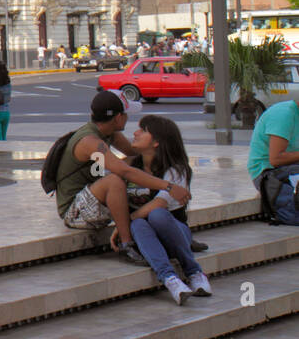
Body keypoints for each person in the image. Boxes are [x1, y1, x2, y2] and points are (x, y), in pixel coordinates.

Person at [53, 91, 191, 252]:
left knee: (135, 170)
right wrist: (169, 186)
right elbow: (123, 171)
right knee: (115, 180)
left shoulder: (110, 134)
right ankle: (127, 243)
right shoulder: (90, 141)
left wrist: (171, 157)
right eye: (126, 114)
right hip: (75, 211)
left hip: (95, 199)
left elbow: (137, 153)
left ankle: (179, 234)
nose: (131, 125)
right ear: (118, 118)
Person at [120, 115, 210, 303]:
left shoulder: (177, 170)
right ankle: (171, 281)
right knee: (138, 225)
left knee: (157, 215)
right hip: (146, 239)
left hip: (175, 233)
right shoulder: (129, 166)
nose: (135, 133)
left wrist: (122, 224)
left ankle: (194, 272)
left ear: (156, 142)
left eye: (143, 130)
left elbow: (159, 203)